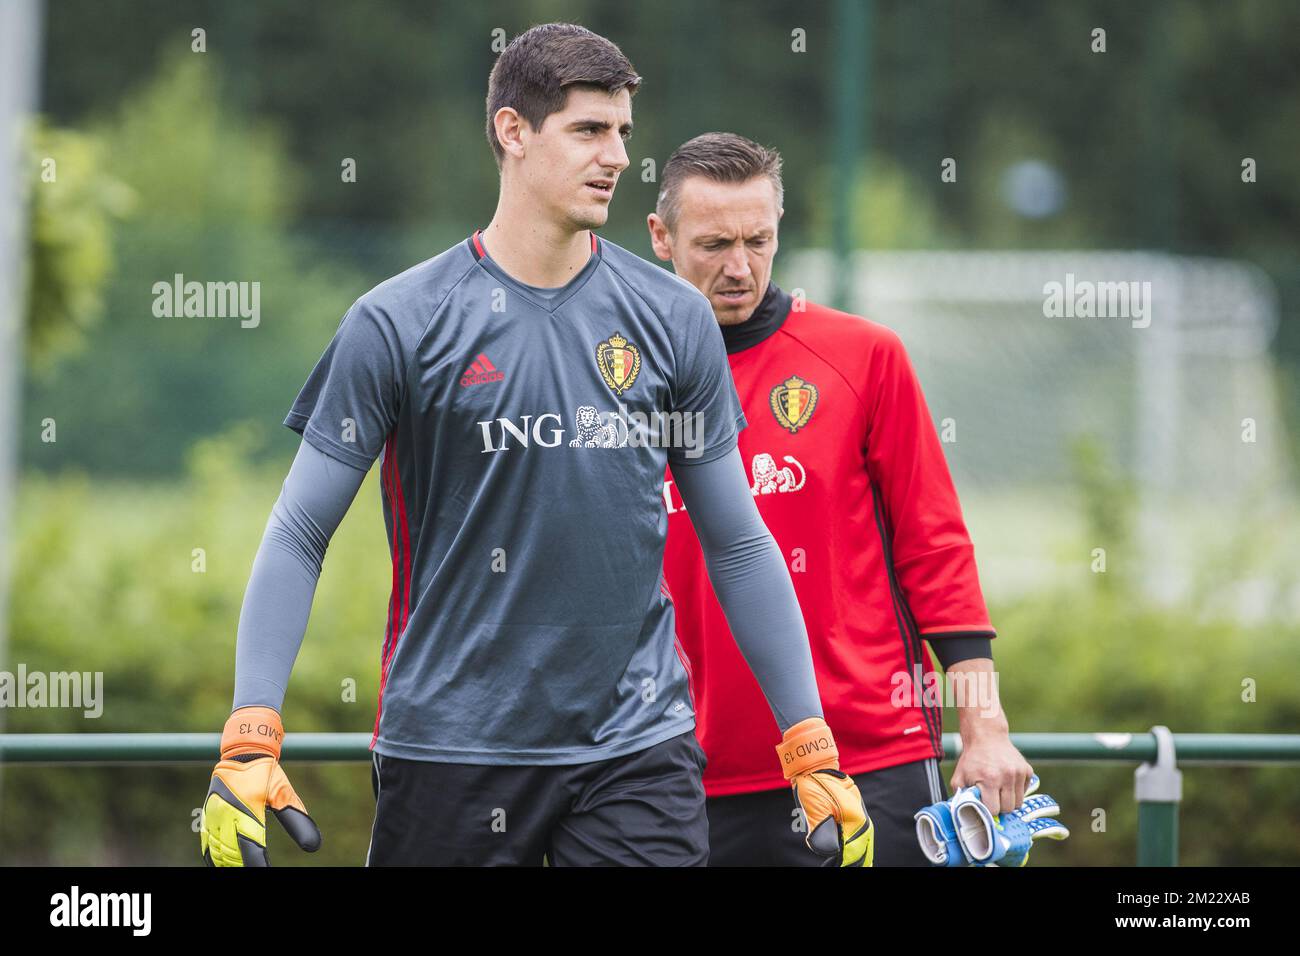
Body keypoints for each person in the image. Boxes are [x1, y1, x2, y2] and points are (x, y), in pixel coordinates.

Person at [199, 26, 871, 868]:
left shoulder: (674, 321)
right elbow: (299, 533)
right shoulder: (397, 322)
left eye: (624, 131)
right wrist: (251, 733)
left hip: (637, 749)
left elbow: (737, 542)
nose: (618, 156)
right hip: (450, 748)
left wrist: (808, 739)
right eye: (590, 130)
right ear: (513, 132)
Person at [649, 132, 1032, 866]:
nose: (739, 267)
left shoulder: (864, 356)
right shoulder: (622, 376)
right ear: (661, 237)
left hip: (866, 758)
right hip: (681, 770)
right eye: (714, 244)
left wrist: (984, 725)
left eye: (758, 240)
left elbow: (936, 549)